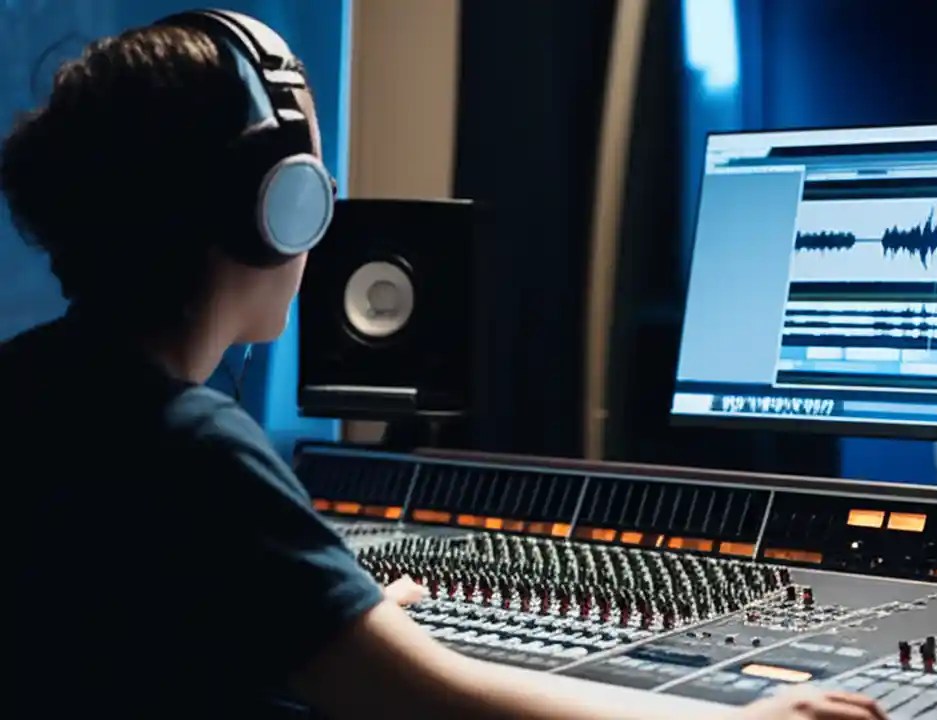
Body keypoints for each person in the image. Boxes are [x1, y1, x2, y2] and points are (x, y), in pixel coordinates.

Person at [0, 10, 887, 720]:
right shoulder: (188, 443)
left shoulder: (34, 382)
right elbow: (445, 699)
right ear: (276, 205)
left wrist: (337, 608)